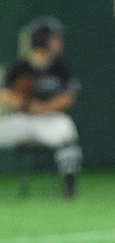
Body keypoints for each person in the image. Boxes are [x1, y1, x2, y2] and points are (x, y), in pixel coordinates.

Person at [0, 16, 82, 197]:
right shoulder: (19, 66)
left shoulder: (61, 67)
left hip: (49, 119)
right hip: (22, 119)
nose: (59, 41)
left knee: (66, 129)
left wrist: (44, 107)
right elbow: (4, 94)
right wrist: (28, 104)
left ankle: (70, 187)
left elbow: (68, 97)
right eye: (55, 37)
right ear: (42, 39)